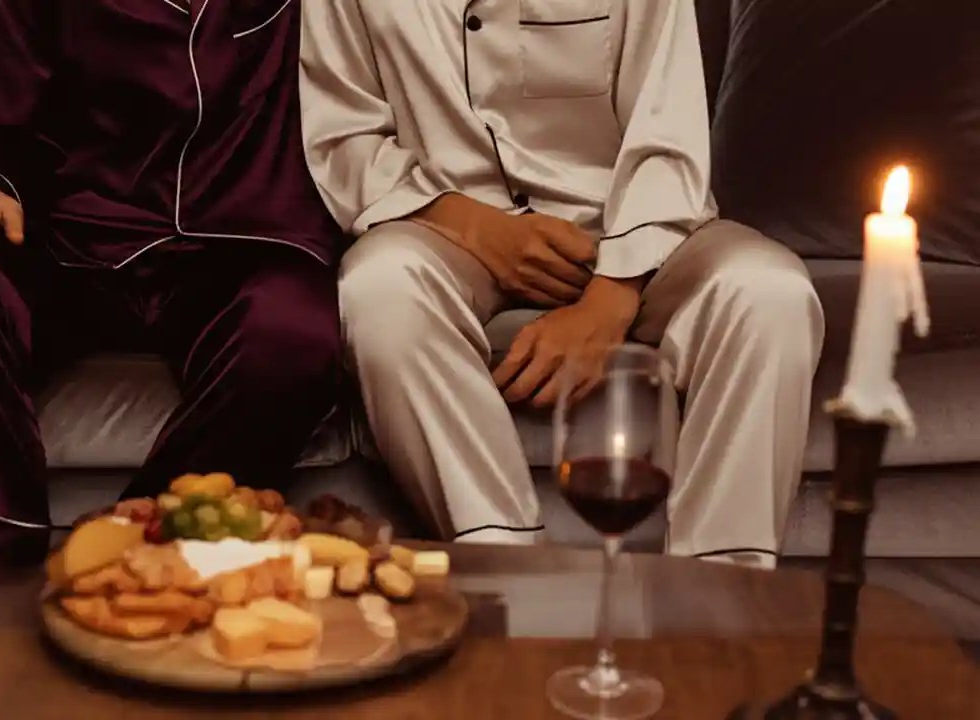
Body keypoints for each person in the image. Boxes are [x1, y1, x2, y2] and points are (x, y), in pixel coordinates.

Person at [300, 0, 824, 568]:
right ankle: (509, 570)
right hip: (443, 221)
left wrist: (610, 300)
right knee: (379, 288)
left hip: (636, 224)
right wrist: (481, 230)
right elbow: (346, 133)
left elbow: (667, 138)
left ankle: (716, 600)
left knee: (771, 293)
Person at [0, 0, 343, 567]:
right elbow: (2, 130)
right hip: (72, 234)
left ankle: (126, 560)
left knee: (293, 331)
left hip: (250, 238)